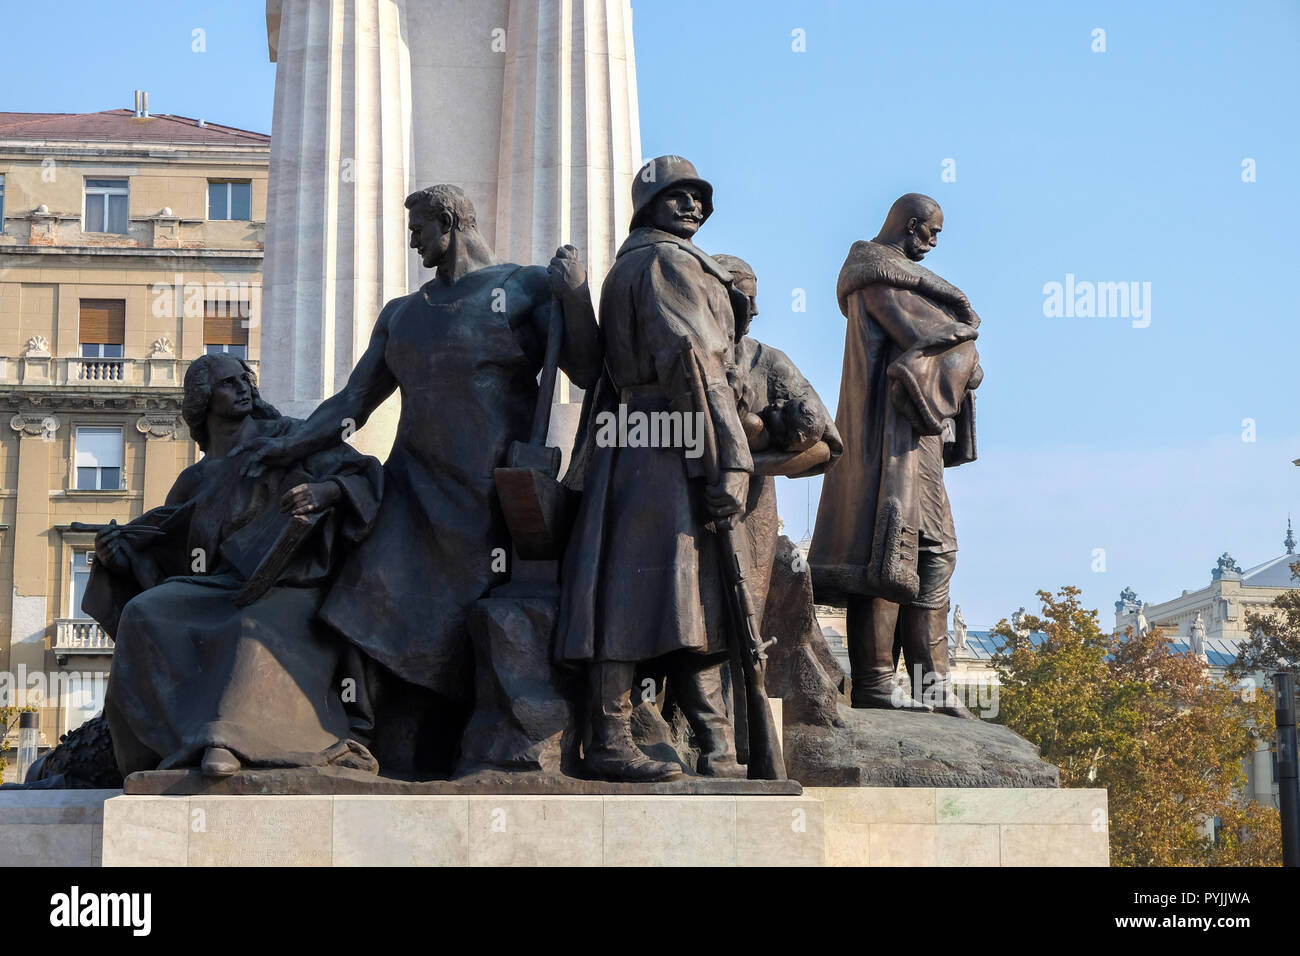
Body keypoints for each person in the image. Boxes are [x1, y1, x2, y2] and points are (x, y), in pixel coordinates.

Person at [233, 185, 600, 774]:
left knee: (467, 628)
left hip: (488, 498)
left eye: (419, 228)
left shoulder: (526, 287)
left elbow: (584, 366)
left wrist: (576, 295)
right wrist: (285, 447)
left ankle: (444, 749)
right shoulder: (402, 314)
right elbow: (353, 403)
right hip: (410, 492)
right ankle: (363, 741)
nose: (412, 241)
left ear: (449, 222)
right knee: (365, 603)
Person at [86, 353, 383, 777]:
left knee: (249, 628)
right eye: (229, 382)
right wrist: (121, 559)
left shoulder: (289, 437)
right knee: (143, 612)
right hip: (224, 588)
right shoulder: (195, 480)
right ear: (204, 399)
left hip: (293, 584)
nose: (243, 386)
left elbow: (364, 474)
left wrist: (326, 491)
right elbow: (171, 564)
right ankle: (170, 749)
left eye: (245, 379)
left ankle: (232, 742)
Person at [556, 156, 755, 781]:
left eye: (698, 196)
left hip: (632, 440)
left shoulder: (627, 268)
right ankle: (622, 738)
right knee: (661, 590)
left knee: (670, 592)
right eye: (676, 198)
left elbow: (589, 370)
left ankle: (711, 745)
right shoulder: (668, 263)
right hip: (674, 440)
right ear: (648, 206)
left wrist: (574, 298)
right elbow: (693, 362)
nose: (692, 206)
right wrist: (730, 458)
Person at [809, 193, 982, 718]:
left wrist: (962, 353)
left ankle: (932, 687)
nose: (933, 243)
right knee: (886, 556)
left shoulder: (894, 280)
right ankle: (876, 683)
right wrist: (967, 345)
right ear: (911, 227)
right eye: (931, 232)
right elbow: (924, 337)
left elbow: (940, 348)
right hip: (887, 440)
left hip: (916, 435)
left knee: (935, 553)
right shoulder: (878, 278)